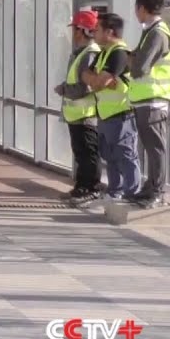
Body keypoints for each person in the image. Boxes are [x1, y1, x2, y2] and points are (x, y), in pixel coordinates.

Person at [126, 0, 170, 208]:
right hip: (146, 99)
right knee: (151, 148)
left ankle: (156, 191)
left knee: (155, 148)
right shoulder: (150, 31)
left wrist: (130, 60)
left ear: (142, 8)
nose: (135, 13)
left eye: (136, 8)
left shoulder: (157, 34)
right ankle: (149, 188)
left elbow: (139, 68)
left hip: (154, 100)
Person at [81, 13, 140, 202]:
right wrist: (96, 80)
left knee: (125, 156)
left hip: (121, 114)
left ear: (109, 31)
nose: (93, 32)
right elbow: (85, 75)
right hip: (106, 114)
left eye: (97, 29)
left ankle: (131, 195)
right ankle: (115, 192)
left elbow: (99, 82)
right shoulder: (103, 53)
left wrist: (97, 81)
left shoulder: (119, 54)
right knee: (109, 156)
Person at [55, 10, 103, 204]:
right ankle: (81, 186)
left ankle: (91, 188)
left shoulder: (89, 54)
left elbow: (85, 86)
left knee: (88, 153)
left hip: (86, 113)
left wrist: (64, 89)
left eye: (75, 29)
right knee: (81, 153)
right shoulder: (81, 53)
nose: (73, 33)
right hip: (77, 113)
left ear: (82, 30)